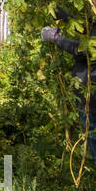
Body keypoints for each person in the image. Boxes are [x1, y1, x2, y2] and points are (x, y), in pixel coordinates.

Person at [41, 10, 96, 162]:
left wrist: (57, 38)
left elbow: (87, 50)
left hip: (92, 100)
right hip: (87, 99)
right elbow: (82, 25)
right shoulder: (93, 19)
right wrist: (54, 9)